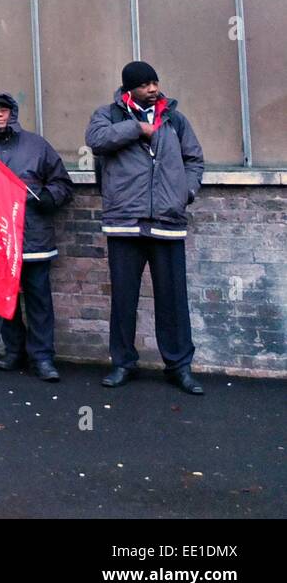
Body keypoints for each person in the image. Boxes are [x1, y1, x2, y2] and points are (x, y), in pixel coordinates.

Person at [87, 61, 205, 394]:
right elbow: (96, 140)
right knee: (123, 299)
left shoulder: (175, 119)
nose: (153, 89)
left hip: (167, 221)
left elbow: (194, 159)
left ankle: (179, 367)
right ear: (129, 90)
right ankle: (123, 363)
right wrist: (137, 129)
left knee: (173, 301)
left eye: (155, 83)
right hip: (124, 222)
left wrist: (186, 192)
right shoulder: (108, 115)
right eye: (145, 85)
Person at [0, 92, 74, 382]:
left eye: (3, 110)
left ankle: (43, 358)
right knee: (2, 298)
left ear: (13, 113)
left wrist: (48, 197)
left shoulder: (37, 146)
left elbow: (62, 182)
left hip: (33, 236)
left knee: (39, 300)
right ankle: (13, 351)